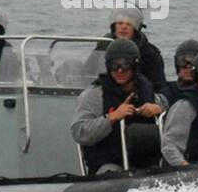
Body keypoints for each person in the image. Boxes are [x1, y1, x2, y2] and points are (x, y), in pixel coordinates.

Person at [70, 39, 165, 174]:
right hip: (109, 165)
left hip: (145, 164)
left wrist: (159, 108)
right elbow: (79, 131)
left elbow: (167, 104)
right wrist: (112, 117)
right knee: (110, 171)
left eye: (126, 65)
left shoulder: (146, 90)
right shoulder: (95, 95)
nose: (120, 70)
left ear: (135, 65)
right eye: (114, 65)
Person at [105, 8, 167, 92]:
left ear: (136, 29)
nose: (123, 27)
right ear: (114, 27)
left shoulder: (150, 54)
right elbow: (88, 73)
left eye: (129, 24)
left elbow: (160, 86)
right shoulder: (103, 45)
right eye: (120, 23)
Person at [163, 38, 198, 107]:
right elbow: (162, 99)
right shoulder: (169, 89)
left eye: (194, 62)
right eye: (182, 61)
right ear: (177, 66)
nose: (188, 67)